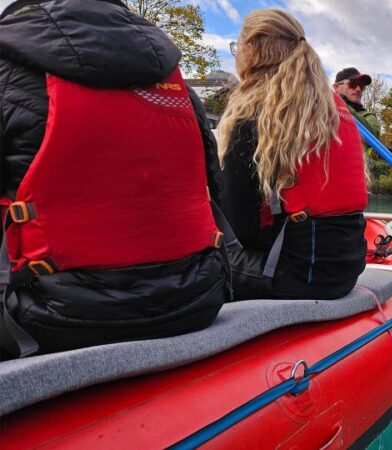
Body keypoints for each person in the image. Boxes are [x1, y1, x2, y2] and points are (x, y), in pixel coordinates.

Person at [0, 0, 231, 357]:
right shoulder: (177, 81)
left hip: (55, 319)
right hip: (197, 300)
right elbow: (214, 188)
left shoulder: (6, 69)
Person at [217, 9, 367, 301]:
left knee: (194, 260)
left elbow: (239, 228)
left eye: (236, 47)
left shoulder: (252, 111)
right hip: (347, 267)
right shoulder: (330, 106)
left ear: (250, 48)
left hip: (299, 277)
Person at [333, 67, 381, 141]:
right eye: (353, 84)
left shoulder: (368, 117)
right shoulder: (323, 109)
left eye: (362, 86)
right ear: (336, 87)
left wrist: (340, 104)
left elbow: (372, 137)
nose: (358, 89)